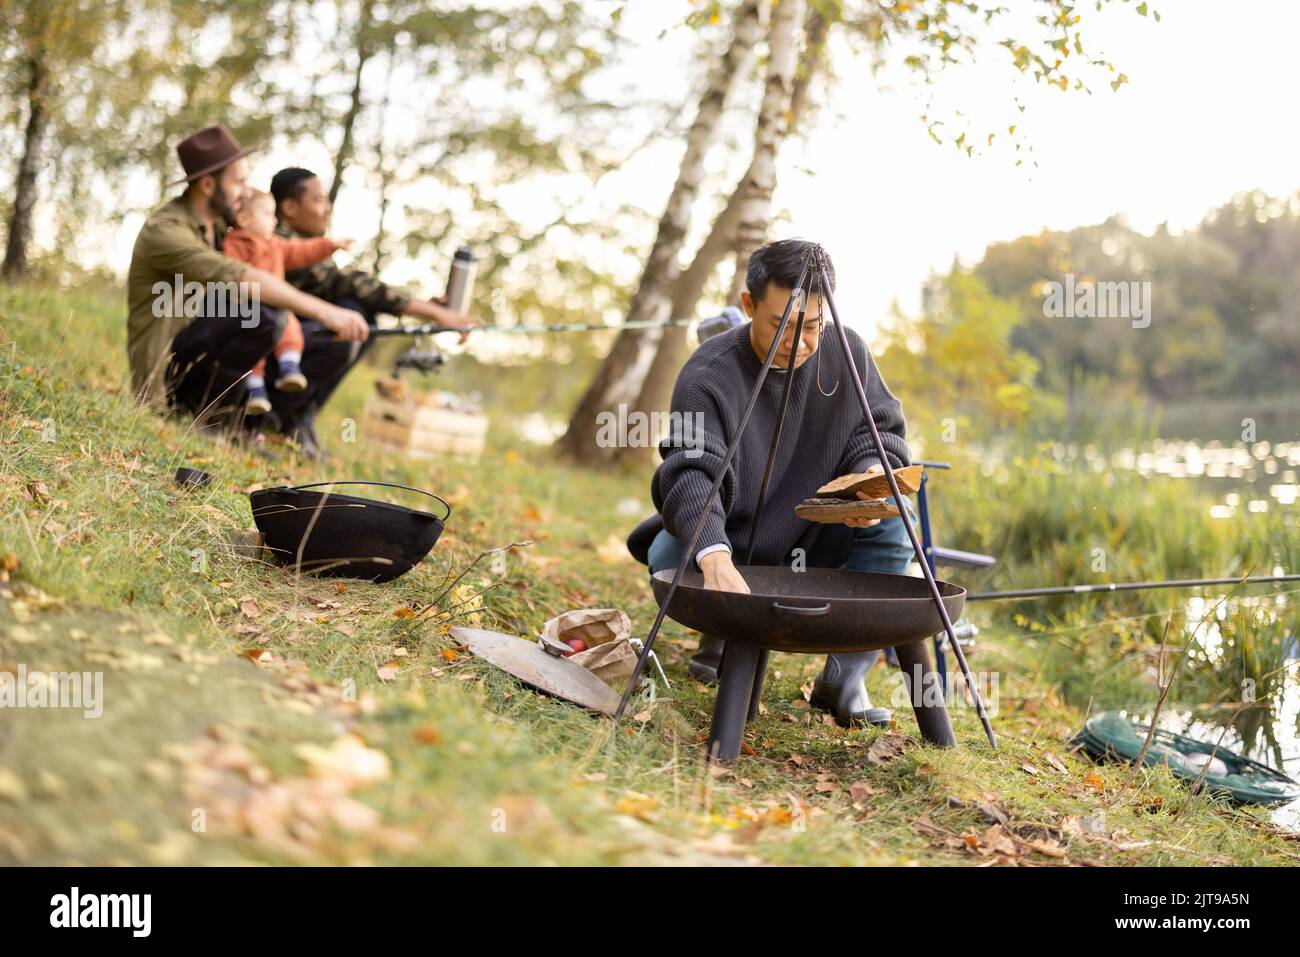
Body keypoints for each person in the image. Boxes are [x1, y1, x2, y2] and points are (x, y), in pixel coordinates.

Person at [630, 238, 917, 727]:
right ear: (748, 306)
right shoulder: (709, 373)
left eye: (812, 326)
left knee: (894, 526)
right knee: (671, 557)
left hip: (812, 533)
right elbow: (690, 470)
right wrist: (713, 554)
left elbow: (879, 430)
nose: (799, 342)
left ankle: (843, 678)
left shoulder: (847, 353)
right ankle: (719, 636)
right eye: (781, 325)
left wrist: (870, 477)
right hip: (733, 536)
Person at [126, 125, 368, 428]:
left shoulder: (224, 223)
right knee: (264, 314)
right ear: (207, 185)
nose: (246, 190)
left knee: (324, 338)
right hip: (170, 374)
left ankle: (260, 424)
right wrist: (325, 311)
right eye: (239, 182)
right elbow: (243, 277)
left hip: (210, 344)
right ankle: (205, 418)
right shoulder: (166, 231)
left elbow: (280, 249)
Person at [267, 167, 478, 456]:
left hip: (290, 342)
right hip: (269, 350)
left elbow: (350, 289)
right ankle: (276, 420)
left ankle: (301, 417)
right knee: (350, 320)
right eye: (318, 200)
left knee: (359, 314)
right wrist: (431, 312)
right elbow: (349, 282)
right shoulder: (278, 242)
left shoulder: (305, 246)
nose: (327, 209)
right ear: (289, 207)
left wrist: (427, 307)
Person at [221, 189, 351, 416]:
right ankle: (255, 389)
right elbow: (230, 274)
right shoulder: (236, 243)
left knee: (290, 328)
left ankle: (289, 366)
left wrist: (329, 245)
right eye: (268, 215)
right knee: (254, 345)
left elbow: (302, 251)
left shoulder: (277, 245)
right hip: (248, 308)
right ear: (244, 219)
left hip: (276, 306)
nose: (274, 220)